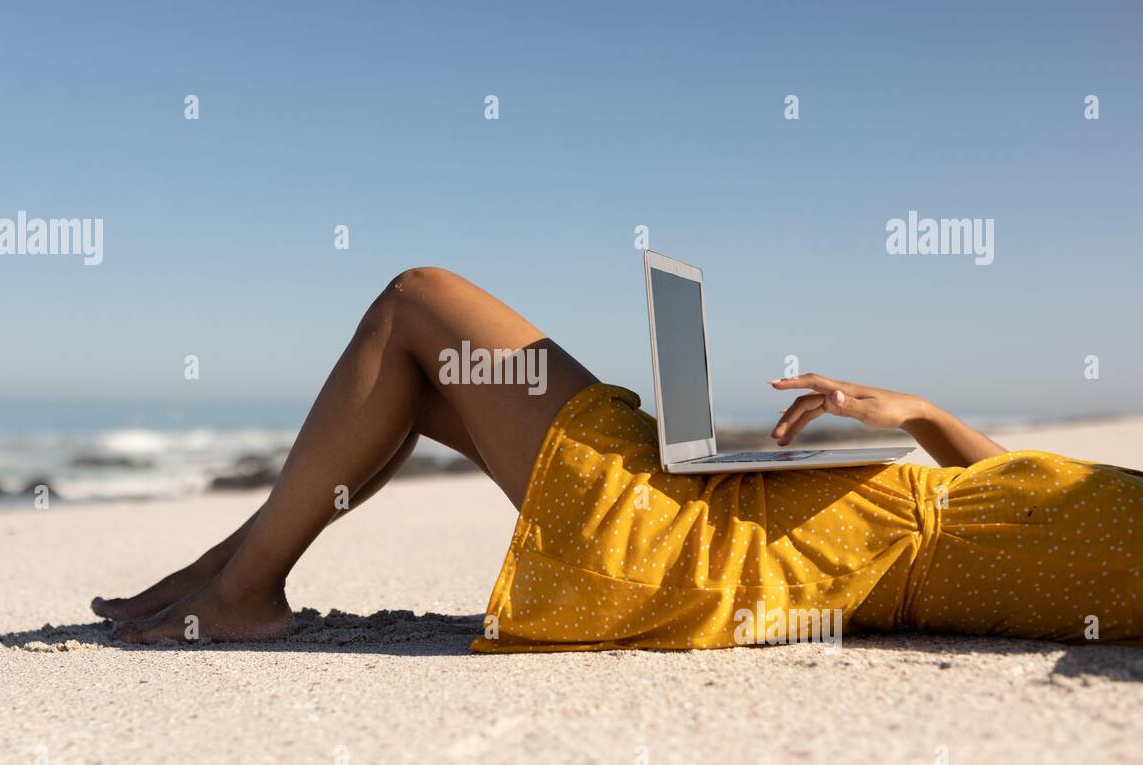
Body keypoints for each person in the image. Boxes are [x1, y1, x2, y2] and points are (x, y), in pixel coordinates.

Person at [92, 268, 1143, 650]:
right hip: (733, 521)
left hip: (717, 555)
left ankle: (241, 587)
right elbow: (1025, 495)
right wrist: (920, 413)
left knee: (421, 304)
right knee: (425, 376)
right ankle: (220, 576)